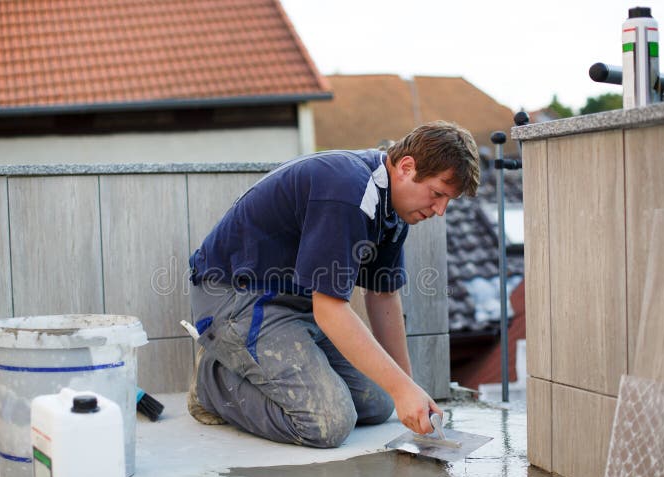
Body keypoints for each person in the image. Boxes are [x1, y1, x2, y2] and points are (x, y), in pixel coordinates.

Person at [187, 121, 480, 448]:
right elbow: (330, 311)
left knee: (380, 402)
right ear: (407, 168)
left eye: (447, 201)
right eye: (438, 194)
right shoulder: (347, 190)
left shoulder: (392, 211)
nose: (440, 210)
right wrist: (403, 390)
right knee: (327, 423)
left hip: (294, 306)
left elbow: (382, 296)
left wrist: (408, 388)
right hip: (236, 301)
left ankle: (252, 367)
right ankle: (212, 383)